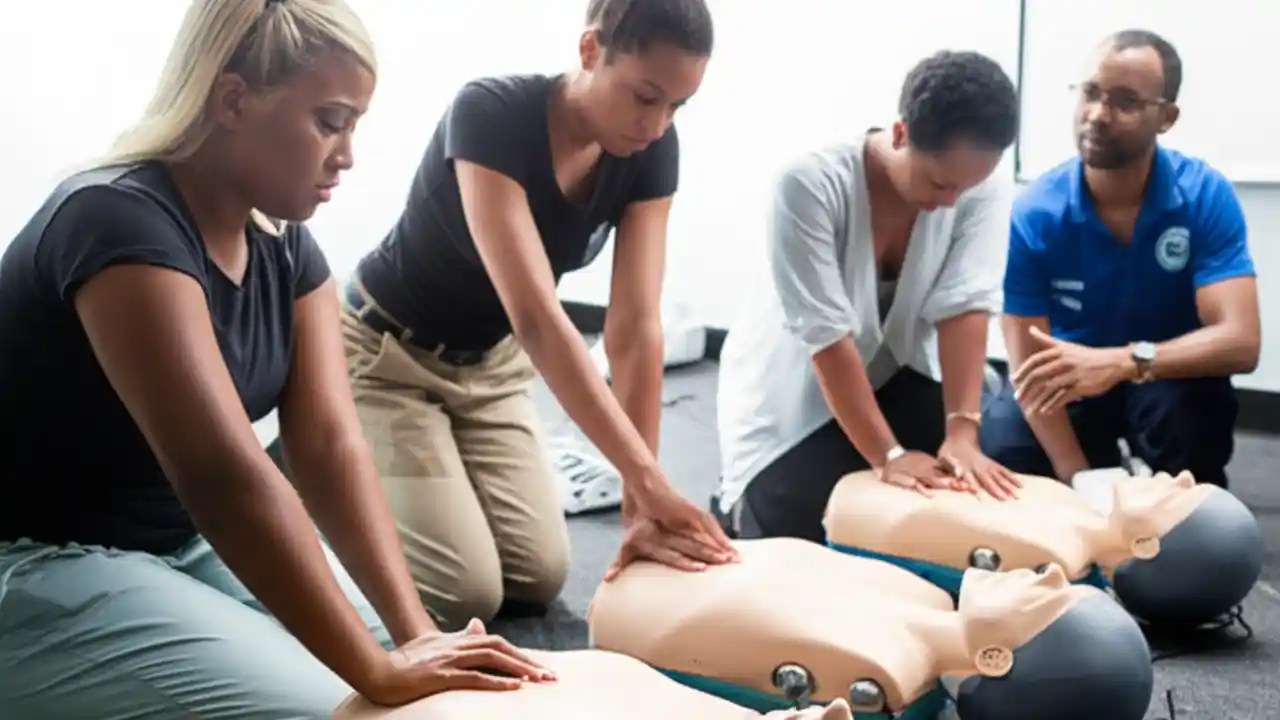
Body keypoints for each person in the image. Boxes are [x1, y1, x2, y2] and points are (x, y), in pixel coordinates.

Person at [0, 2, 551, 718]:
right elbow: (224, 479)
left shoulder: (286, 246)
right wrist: (378, 675)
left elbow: (326, 445)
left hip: (176, 545)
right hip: (38, 560)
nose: (346, 155)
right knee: (340, 703)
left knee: (423, 672)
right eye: (329, 121)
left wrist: (414, 636)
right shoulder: (116, 225)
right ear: (231, 99)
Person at [341, 0, 735, 629]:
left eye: (676, 107)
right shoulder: (490, 114)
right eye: (645, 96)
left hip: (490, 371)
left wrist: (641, 504)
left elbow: (633, 327)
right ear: (589, 52)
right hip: (388, 357)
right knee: (464, 594)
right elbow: (536, 315)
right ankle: (338, 500)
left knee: (537, 576)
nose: (657, 125)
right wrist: (649, 478)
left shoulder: (651, 151)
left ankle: (412, 492)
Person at [713, 50, 1024, 543]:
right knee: (800, 535)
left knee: (980, 483)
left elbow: (966, 304)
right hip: (798, 399)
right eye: (939, 183)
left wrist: (962, 432)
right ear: (900, 134)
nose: (950, 203)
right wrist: (889, 457)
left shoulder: (977, 186)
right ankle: (740, 503)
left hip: (904, 374)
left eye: (965, 189)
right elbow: (827, 337)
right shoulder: (808, 186)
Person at [980, 30, 1260, 490]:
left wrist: (1124, 362)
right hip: (1069, 386)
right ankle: (1095, 473)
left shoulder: (1204, 195)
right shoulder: (1037, 210)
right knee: (1005, 444)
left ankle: (1181, 532)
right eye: (1090, 93)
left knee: (1192, 421)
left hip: (1163, 378)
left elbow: (1241, 341)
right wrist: (1079, 479)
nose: (1097, 115)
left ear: (1166, 117)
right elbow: (1030, 368)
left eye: (1126, 102)